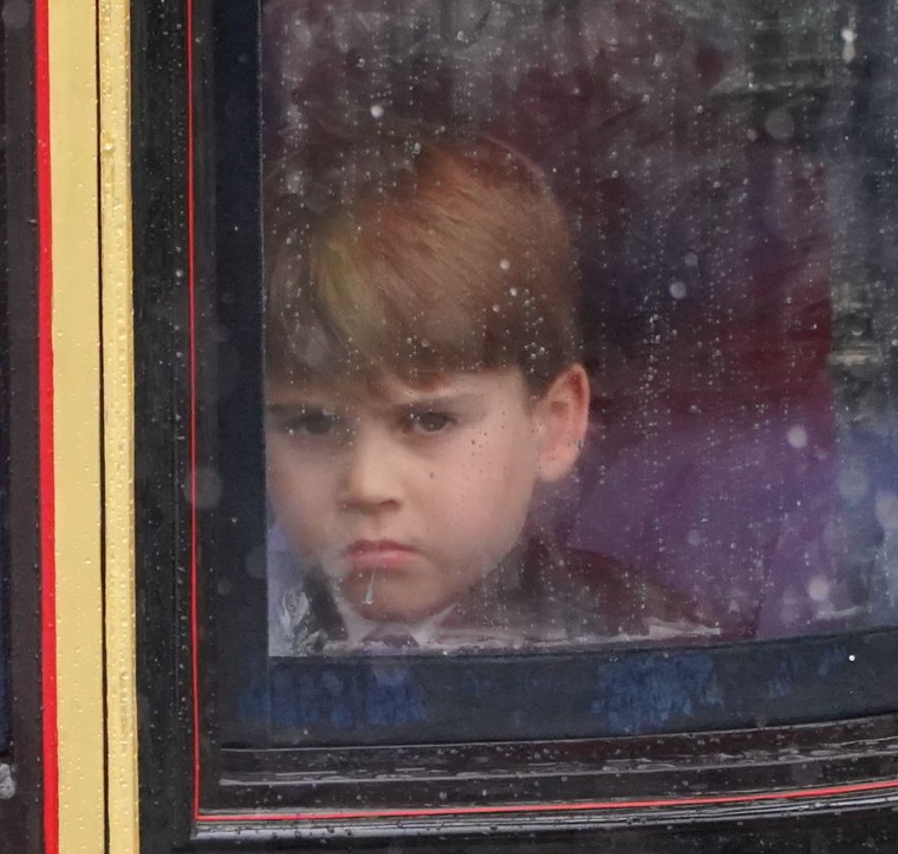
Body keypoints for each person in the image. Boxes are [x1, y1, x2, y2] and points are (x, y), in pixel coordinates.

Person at [264, 127, 720, 654]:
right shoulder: (210, 641)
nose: (367, 485)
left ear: (552, 426)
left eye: (430, 420)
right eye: (313, 423)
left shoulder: (647, 648)